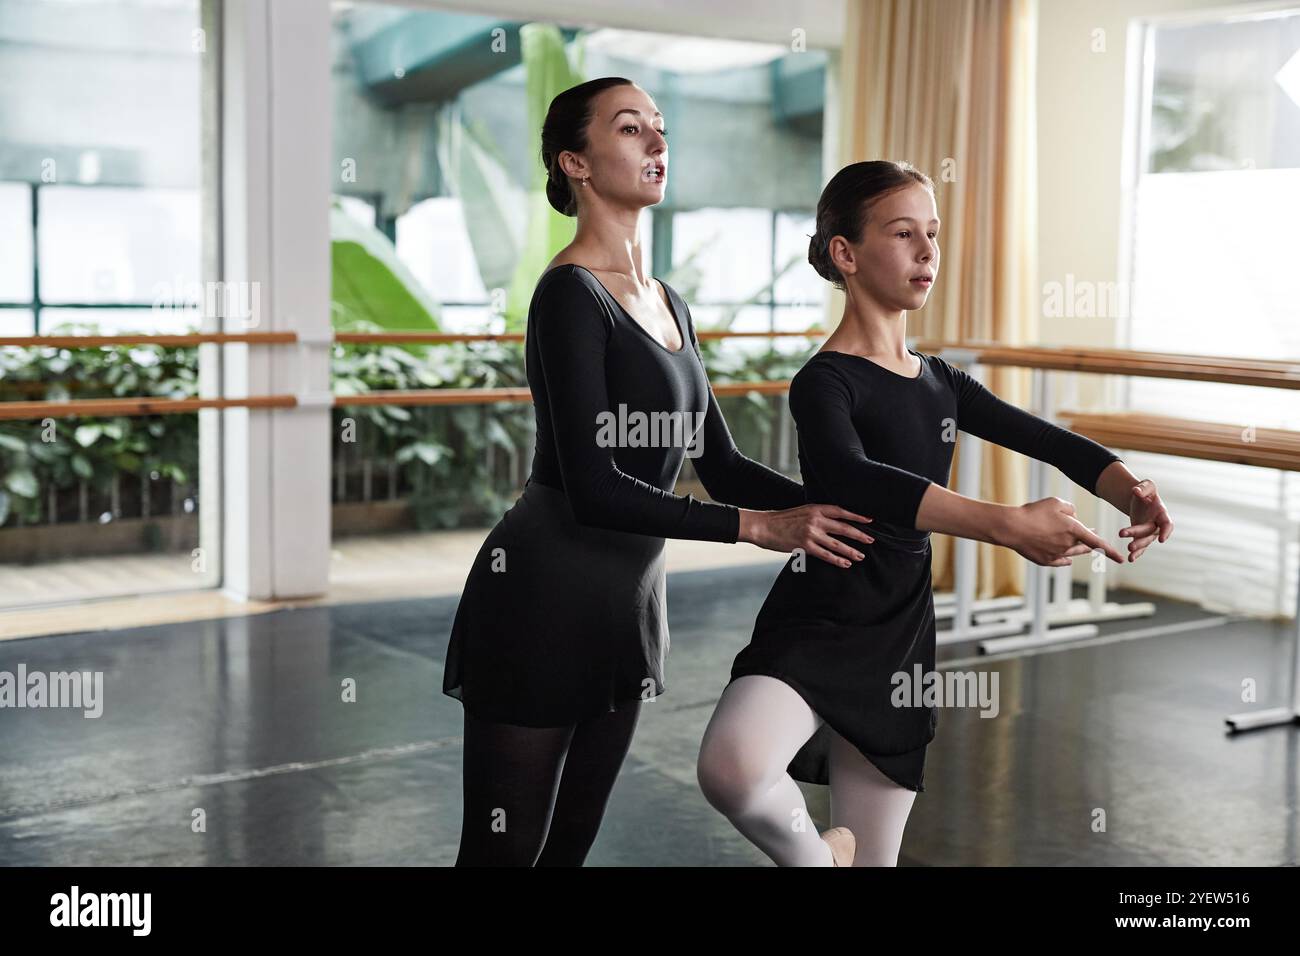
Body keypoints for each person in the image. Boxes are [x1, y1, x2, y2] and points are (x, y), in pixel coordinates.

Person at [443, 77, 876, 866]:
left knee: (571, 845)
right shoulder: (569, 297)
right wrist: (760, 529)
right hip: (540, 601)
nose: (656, 143)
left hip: (626, 608)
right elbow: (594, 486)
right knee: (502, 856)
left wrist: (839, 511)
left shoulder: (667, 301)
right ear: (575, 162)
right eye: (630, 129)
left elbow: (720, 461)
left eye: (661, 128)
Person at [696, 159, 1176, 866]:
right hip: (818, 614)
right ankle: (816, 856)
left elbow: (1048, 440)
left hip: (899, 630)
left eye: (933, 234)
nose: (927, 252)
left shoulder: (942, 380)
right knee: (732, 769)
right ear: (845, 254)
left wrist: (1130, 489)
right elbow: (858, 480)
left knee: (880, 856)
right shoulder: (823, 382)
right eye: (903, 234)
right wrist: (1006, 523)